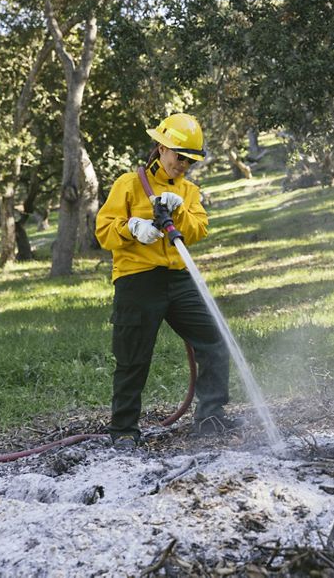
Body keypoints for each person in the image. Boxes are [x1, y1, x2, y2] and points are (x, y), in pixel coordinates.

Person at [95, 113, 239, 449]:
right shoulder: (129, 184)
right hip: (137, 280)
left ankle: (211, 417)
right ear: (161, 149)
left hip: (178, 279)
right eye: (179, 156)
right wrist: (132, 228)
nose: (184, 164)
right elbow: (103, 229)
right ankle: (124, 430)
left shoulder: (189, 191)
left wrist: (180, 212)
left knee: (215, 340)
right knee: (133, 356)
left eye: (190, 159)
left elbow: (198, 230)